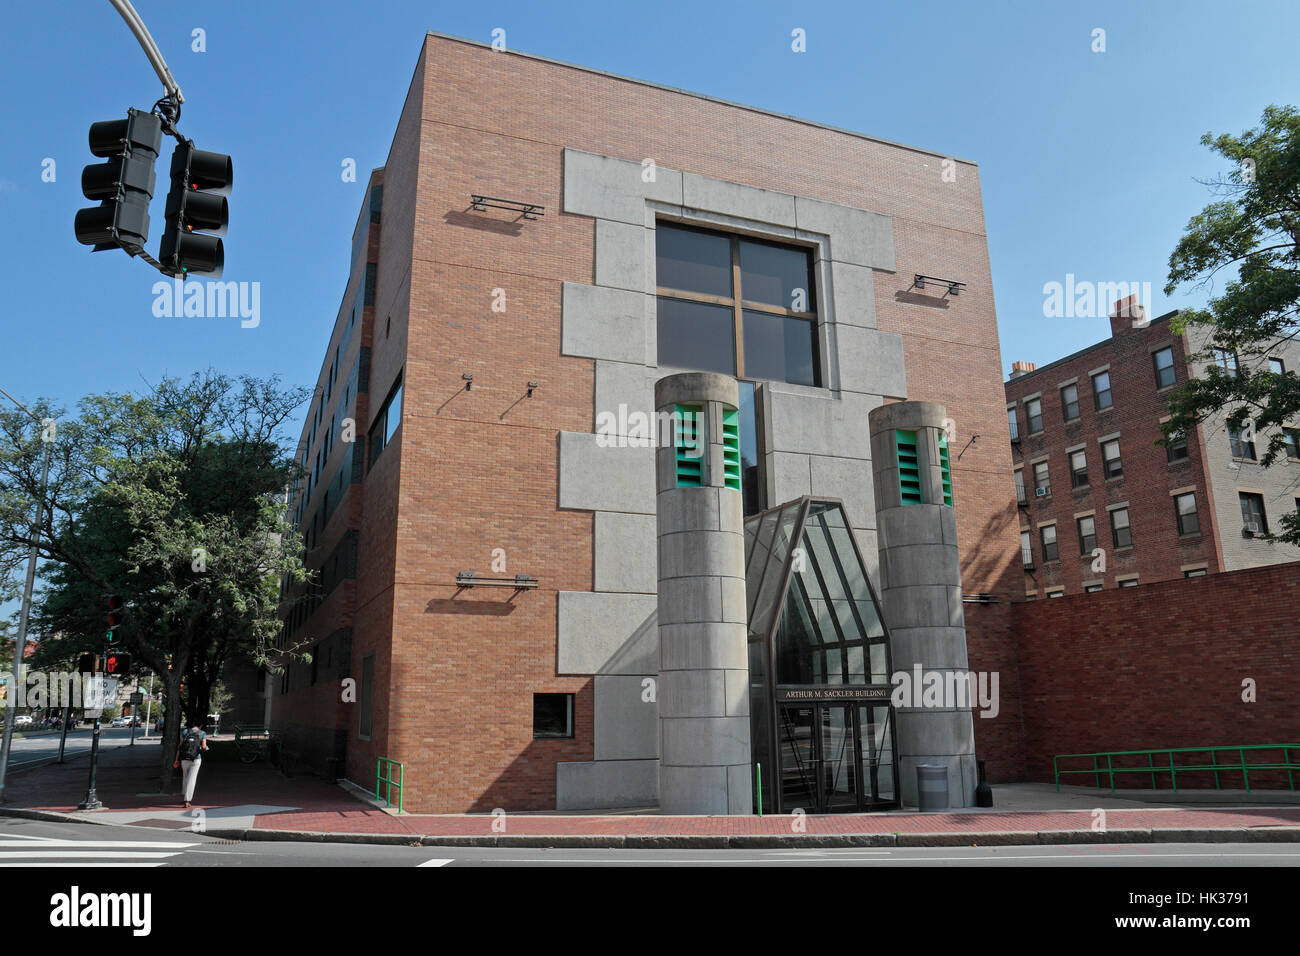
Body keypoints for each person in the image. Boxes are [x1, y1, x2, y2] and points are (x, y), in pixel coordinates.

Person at [173, 723, 209, 809]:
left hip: (184, 758)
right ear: (200, 725)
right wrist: (206, 748)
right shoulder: (202, 733)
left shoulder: (185, 731)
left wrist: (176, 760)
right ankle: (187, 800)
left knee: (185, 777)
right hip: (196, 759)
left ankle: (185, 795)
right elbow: (204, 747)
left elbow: (180, 746)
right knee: (192, 779)